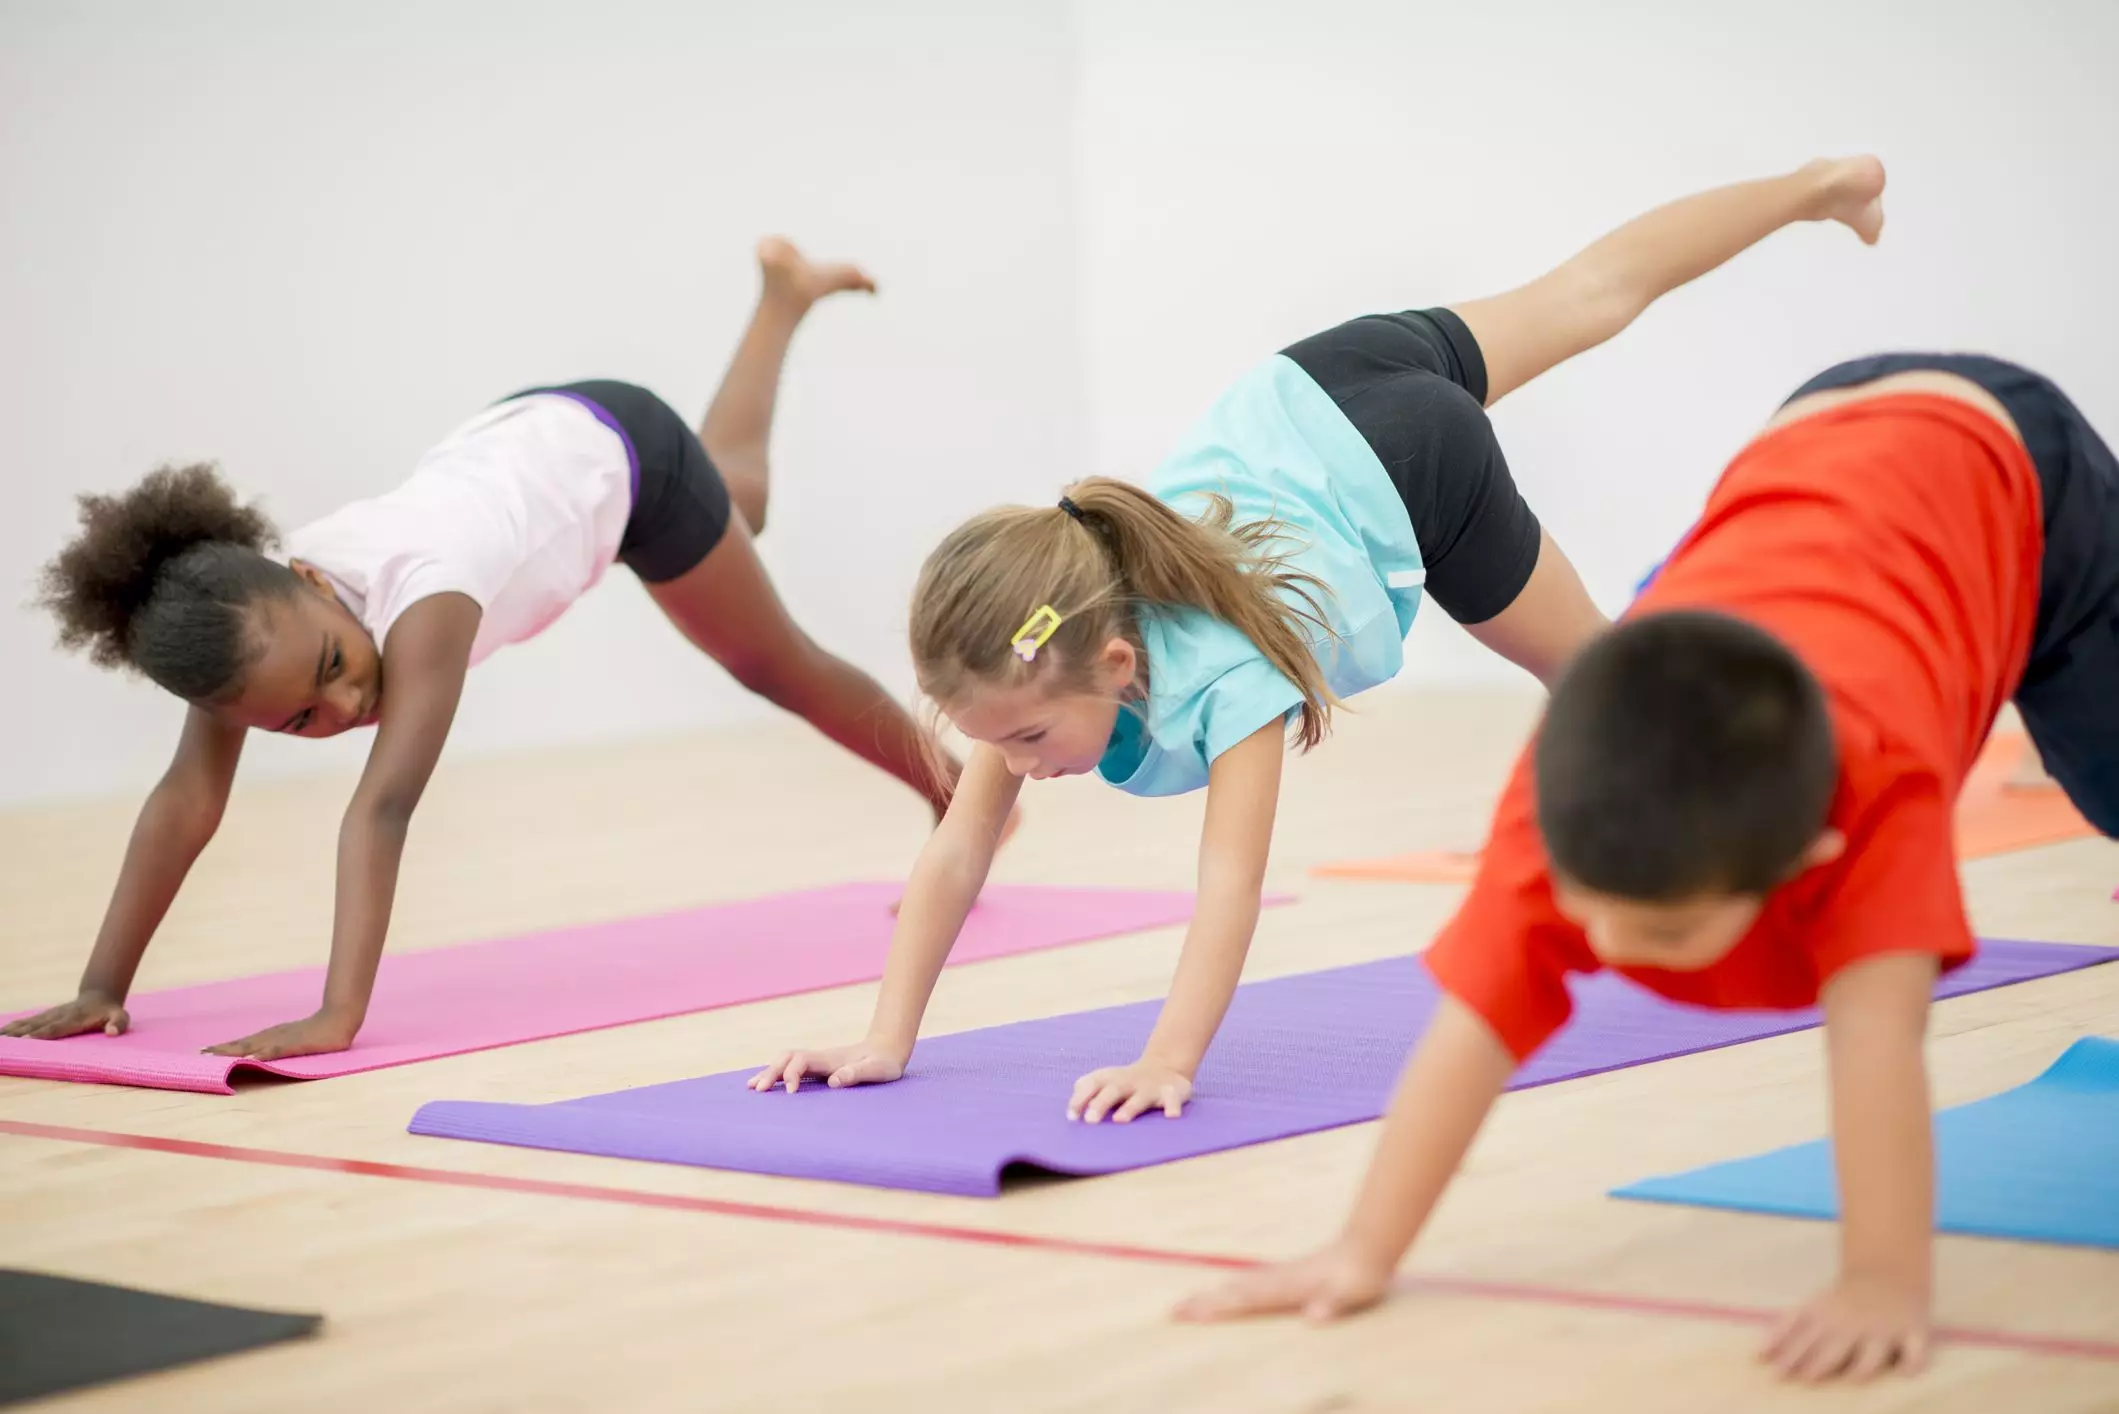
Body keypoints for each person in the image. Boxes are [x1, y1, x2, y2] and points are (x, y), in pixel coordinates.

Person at [751, 157, 1890, 1123]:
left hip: (1411, 465)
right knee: (1588, 293)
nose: (1020, 764)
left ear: (1112, 662)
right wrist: (883, 1036)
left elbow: (1230, 884)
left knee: (1603, 682)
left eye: (1031, 738)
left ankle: (1790, 698)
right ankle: (1821, 185)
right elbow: (957, 850)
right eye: (997, 741)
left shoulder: (1220, 676)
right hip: (1309, 388)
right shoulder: (1032, 657)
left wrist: (1170, 1060)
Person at [1176, 349, 2119, 1382]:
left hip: (2011, 462)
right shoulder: (1579, 782)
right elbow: (1472, 1027)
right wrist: (1361, 1249)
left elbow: (1877, 1041)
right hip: (1810, 434)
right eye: (1591, 915)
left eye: (1664, 931)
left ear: (1811, 858)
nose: (1615, 953)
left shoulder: (1873, 796)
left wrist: (1882, 1279)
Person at [6, 239, 961, 1062]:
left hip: (623, 458)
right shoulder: (245, 637)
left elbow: (381, 809)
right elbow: (187, 800)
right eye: (300, 720)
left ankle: (956, 796)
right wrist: (102, 985)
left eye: (335, 669)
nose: (342, 708)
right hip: (525, 438)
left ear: (308, 578)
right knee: (741, 496)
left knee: (773, 660)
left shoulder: (427, 600)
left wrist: (339, 1014)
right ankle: (783, 297)